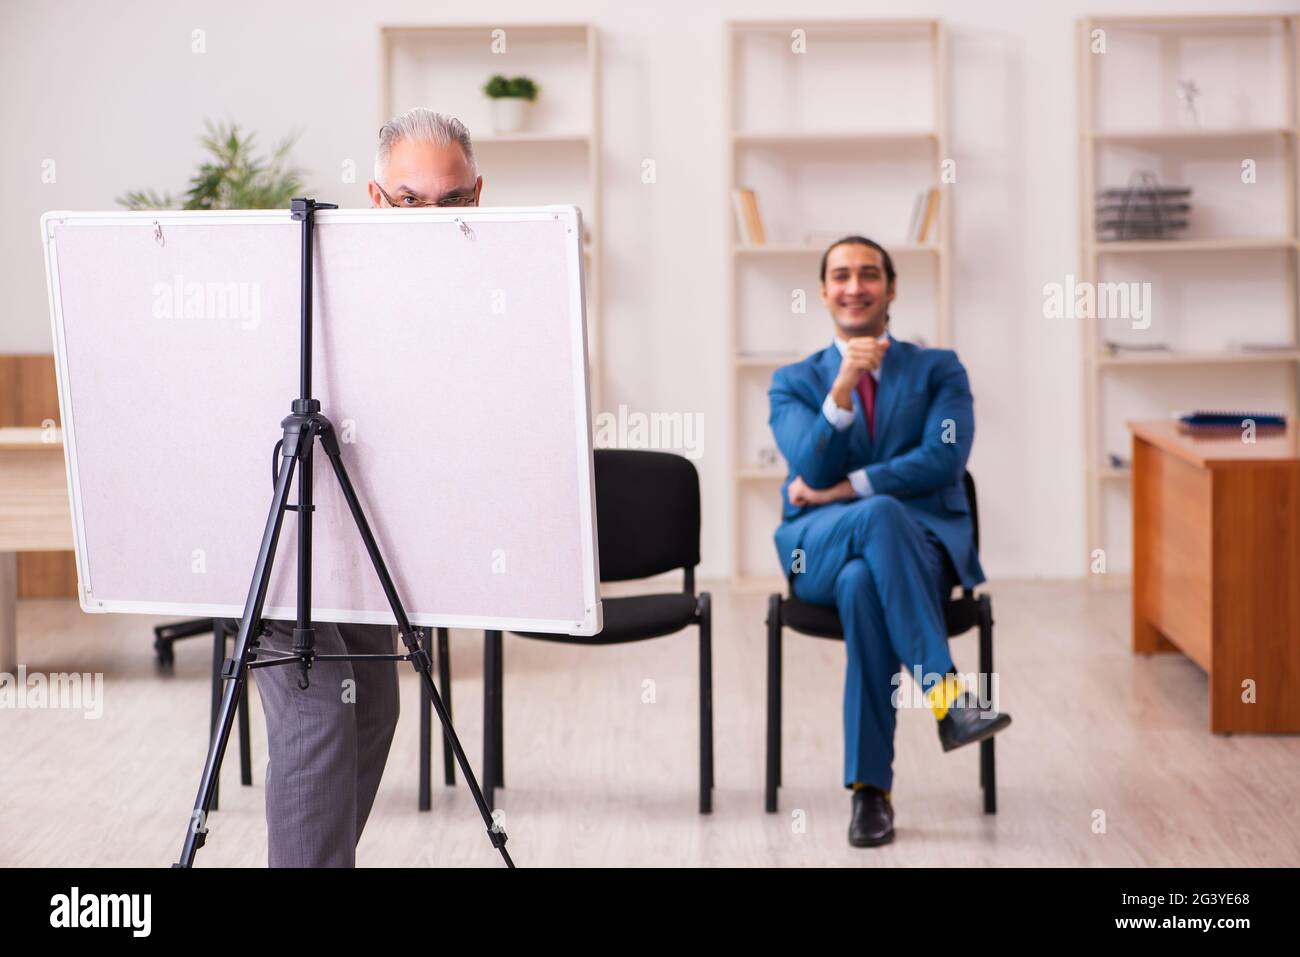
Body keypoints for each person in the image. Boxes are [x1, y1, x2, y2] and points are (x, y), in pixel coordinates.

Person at [253, 109, 484, 867]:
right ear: (378, 199)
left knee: (373, 704)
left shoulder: (475, 294)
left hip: (361, 549)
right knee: (320, 708)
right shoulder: (316, 274)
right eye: (411, 199)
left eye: (449, 201)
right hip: (282, 532)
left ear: (476, 197)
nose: (430, 219)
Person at [768, 236, 1012, 848]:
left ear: (892, 288)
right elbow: (808, 466)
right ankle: (948, 696)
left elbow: (944, 458)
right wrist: (842, 389)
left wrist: (847, 486)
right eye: (842, 275)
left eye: (870, 274)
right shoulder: (793, 383)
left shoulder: (939, 370)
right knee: (872, 525)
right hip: (814, 548)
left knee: (862, 584)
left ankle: (869, 794)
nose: (856, 286)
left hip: (921, 552)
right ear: (823, 292)